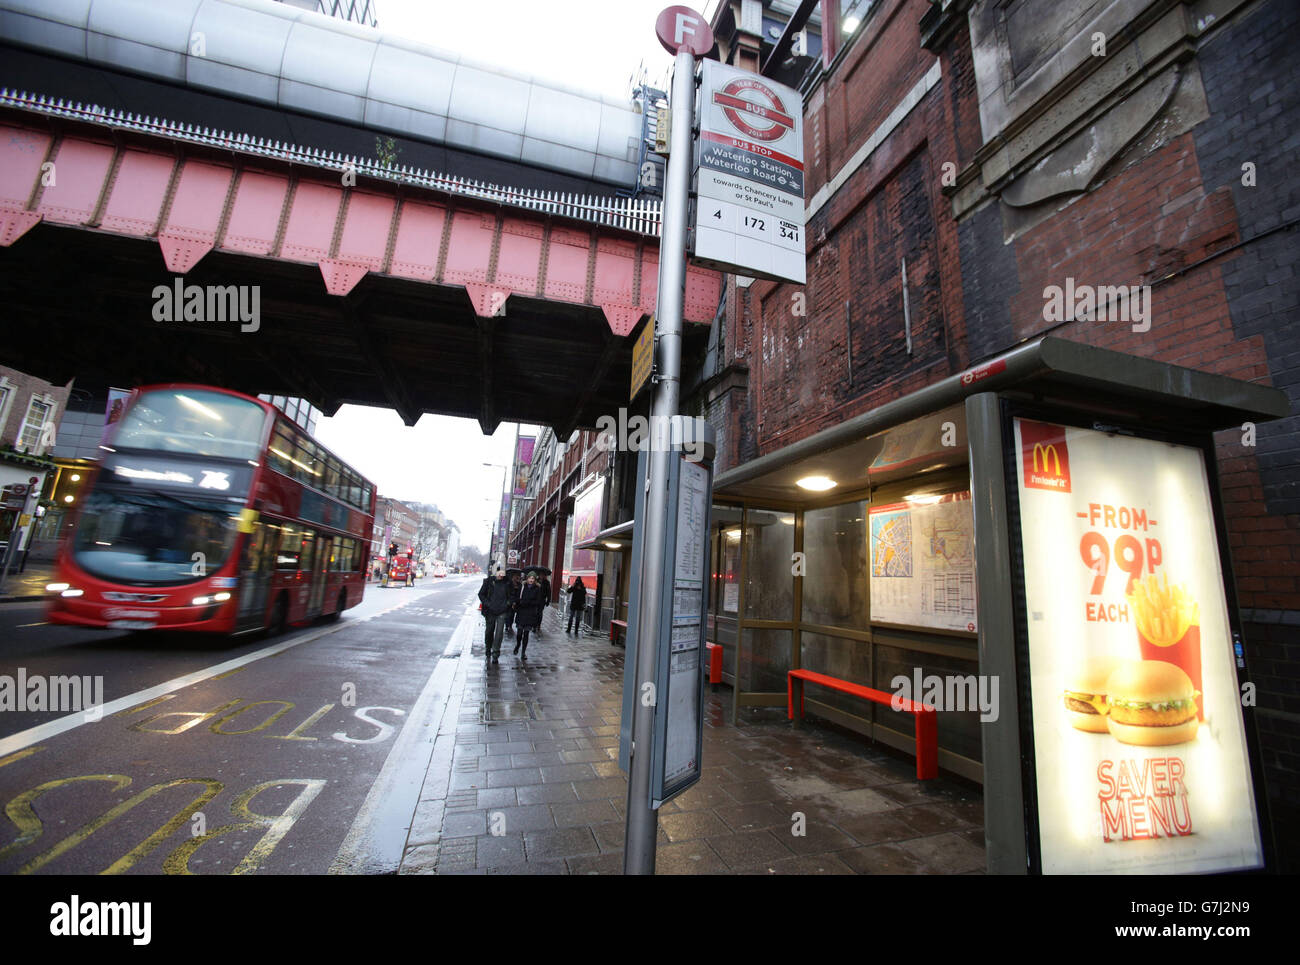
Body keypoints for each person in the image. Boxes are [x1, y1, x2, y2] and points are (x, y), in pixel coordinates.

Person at [478, 564, 512, 664]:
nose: (501, 575)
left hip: (502, 611)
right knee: (489, 631)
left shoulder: (507, 583)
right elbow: (481, 594)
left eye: (503, 573)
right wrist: (488, 604)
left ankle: (495, 653)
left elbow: (512, 595)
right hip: (490, 611)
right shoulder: (488, 582)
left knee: (499, 633)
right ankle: (488, 647)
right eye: (499, 572)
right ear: (495, 572)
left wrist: (507, 604)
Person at [513, 572, 545, 658]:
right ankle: (518, 644)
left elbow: (538, 601)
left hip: (530, 613)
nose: (531, 580)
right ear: (527, 579)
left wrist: (529, 603)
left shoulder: (537, 589)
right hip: (521, 612)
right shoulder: (522, 587)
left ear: (535, 580)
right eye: (530, 578)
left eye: (533, 578)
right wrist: (518, 602)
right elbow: (516, 597)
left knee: (526, 634)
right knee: (519, 633)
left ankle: (523, 652)